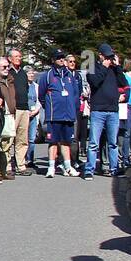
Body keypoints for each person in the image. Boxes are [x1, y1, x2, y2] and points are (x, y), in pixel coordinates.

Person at [84, 43, 127, 179]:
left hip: (113, 110)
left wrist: (118, 66)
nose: (109, 59)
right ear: (100, 56)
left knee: (113, 143)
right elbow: (94, 82)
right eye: (107, 56)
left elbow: (123, 83)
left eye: (111, 57)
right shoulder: (93, 67)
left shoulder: (114, 69)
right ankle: (89, 170)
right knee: (93, 143)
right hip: (98, 110)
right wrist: (104, 67)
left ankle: (114, 168)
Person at [38, 50, 81, 178]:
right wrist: (49, 107)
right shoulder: (47, 75)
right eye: (58, 58)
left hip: (68, 114)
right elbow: (41, 95)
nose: (61, 60)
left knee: (66, 141)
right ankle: (51, 167)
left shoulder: (69, 75)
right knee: (53, 141)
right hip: (54, 115)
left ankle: (68, 166)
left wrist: (73, 108)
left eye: (62, 57)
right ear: (53, 60)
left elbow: (75, 93)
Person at [9, 48, 33, 174]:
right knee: (9, 138)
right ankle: (7, 166)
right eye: (16, 56)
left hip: (24, 108)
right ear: (10, 58)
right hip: (14, 109)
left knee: (22, 139)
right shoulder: (8, 72)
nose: (19, 58)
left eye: (20, 56)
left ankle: (21, 165)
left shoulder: (23, 73)